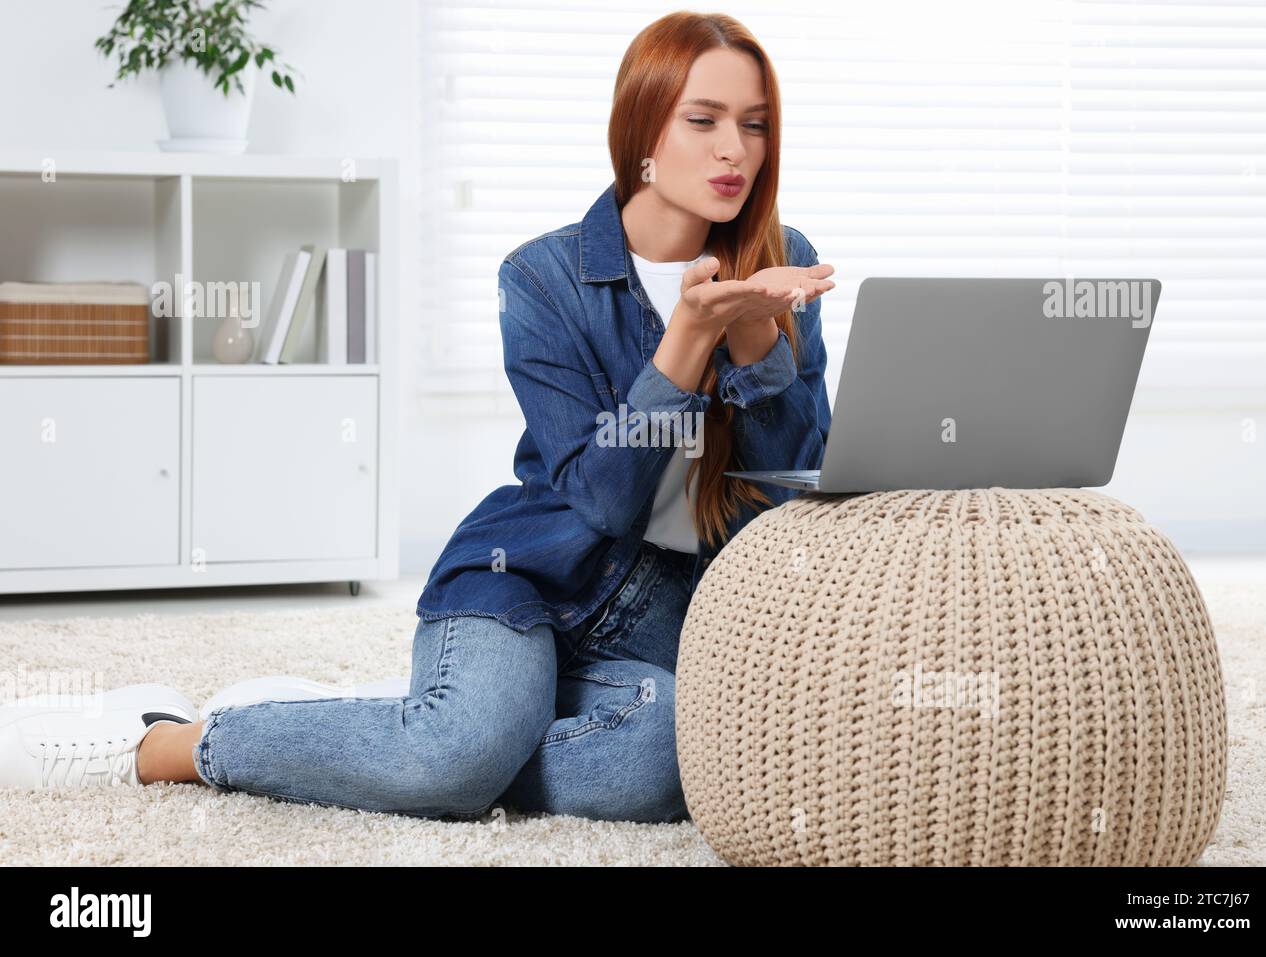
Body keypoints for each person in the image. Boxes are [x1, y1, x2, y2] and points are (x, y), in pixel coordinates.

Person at [0, 11, 834, 824]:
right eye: (705, 120)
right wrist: (689, 338)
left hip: (656, 623)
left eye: (755, 125)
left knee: (654, 760)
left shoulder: (782, 261)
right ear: (643, 129)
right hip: (525, 583)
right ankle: (174, 742)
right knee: (456, 759)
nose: (735, 151)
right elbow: (607, 502)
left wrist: (759, 342)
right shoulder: (542, 277)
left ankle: (391, 729)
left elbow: (796, 499)